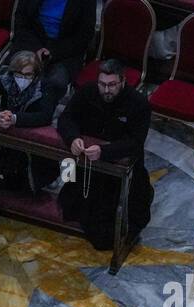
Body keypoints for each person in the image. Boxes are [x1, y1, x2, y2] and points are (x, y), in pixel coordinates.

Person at [57, 60, 154, 251]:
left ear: (122, 82)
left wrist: (104, 151)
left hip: (117, 170)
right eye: (102, 84)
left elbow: (135, 142)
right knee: (71, 206)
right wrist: (73, 138)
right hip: (89, 170)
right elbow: (66, 118)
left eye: (111, 85)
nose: (106, 90)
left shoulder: (138, 103)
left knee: (106, 234)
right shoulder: (88, 92)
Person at [0, 50, 61, 194]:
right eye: (19, 74)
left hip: (32, 135)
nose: (22, 78)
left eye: (28, 75)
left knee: (31, 182)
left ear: (35, 74)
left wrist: (15, 118)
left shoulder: (45, 85)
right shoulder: (5, 77)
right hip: (6, 130)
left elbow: (45, 116)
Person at [11, 0, 97, 97]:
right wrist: (36, 49)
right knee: (17, 73)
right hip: (31, 41)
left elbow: (84, 35)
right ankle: (5, 111)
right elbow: (21, 21)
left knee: (55, 83)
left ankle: (41, 111)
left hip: (65, 50)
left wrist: (53, 52)